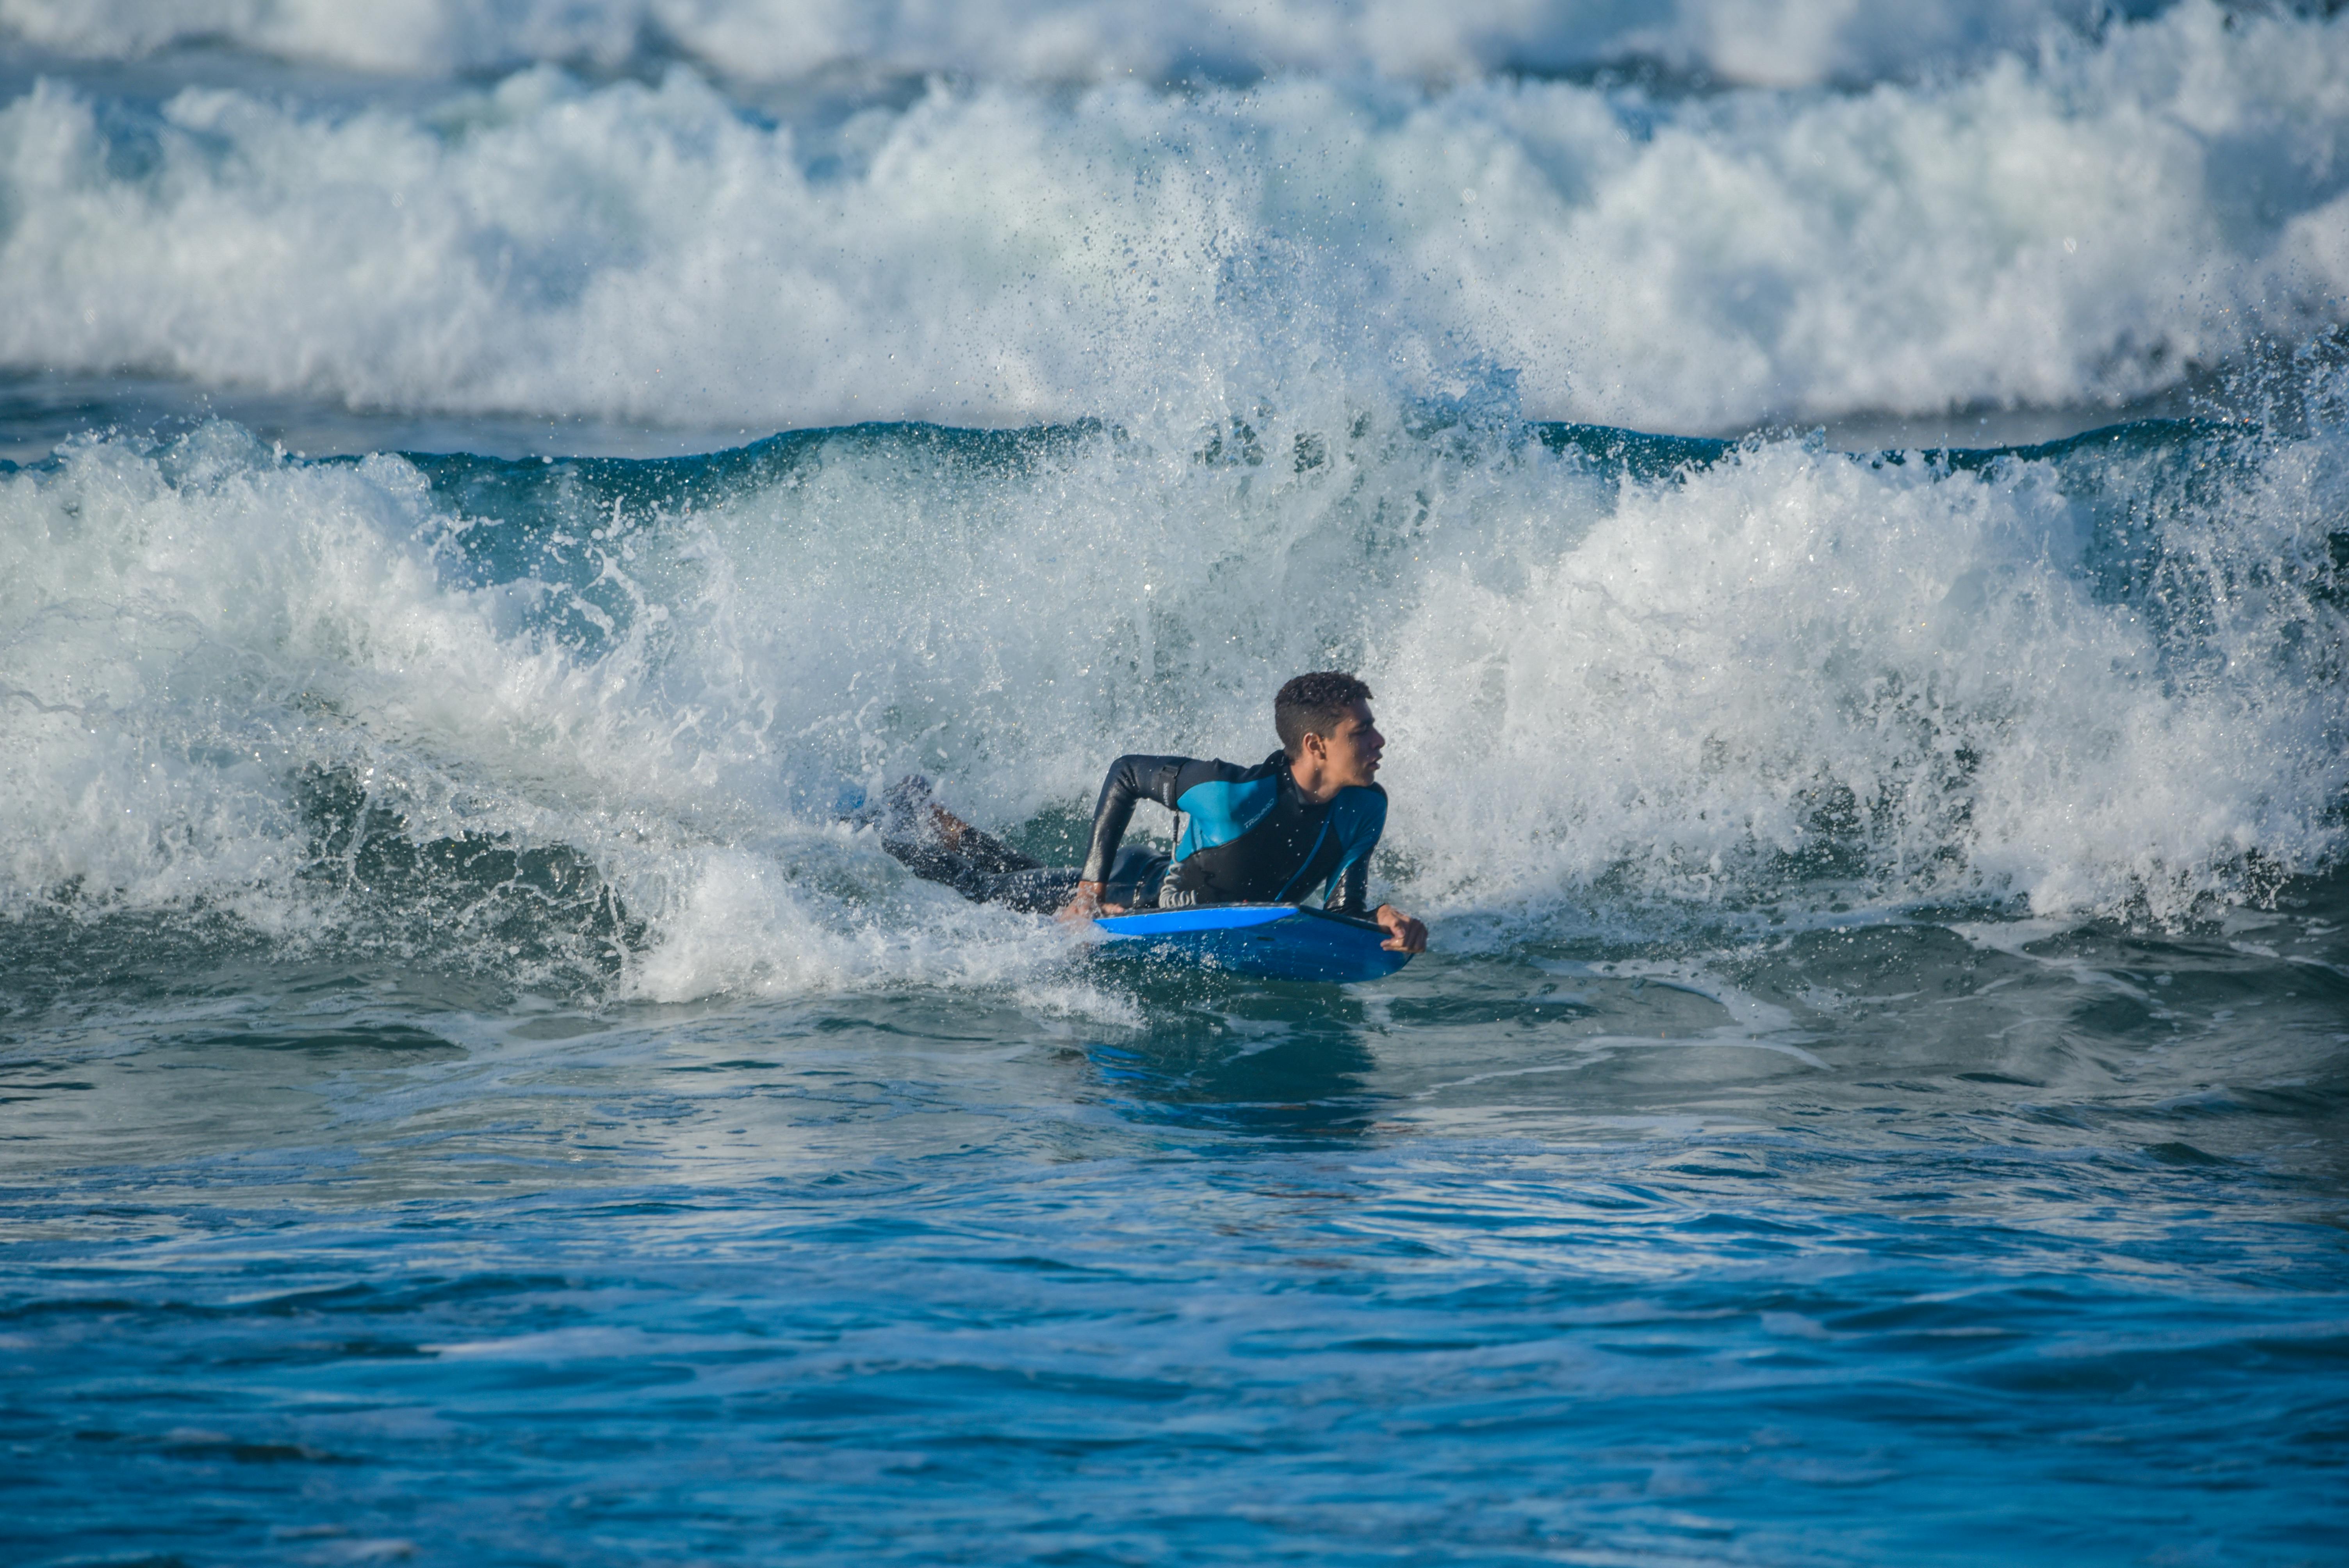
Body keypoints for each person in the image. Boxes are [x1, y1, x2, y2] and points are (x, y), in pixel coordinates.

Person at [871, 671, 1427, 953]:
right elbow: (1127, 774)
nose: (1379, 741)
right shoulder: (1232, 796)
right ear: (1315, 745)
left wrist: (1381, 918)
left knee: (1023, 873)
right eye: (1362, 731)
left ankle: (942, 819)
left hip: (1171, 893)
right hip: (1131, 891)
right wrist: (1089, 894)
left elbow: (1340, 911)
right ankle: (887, 828)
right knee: (981, 888)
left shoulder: (1364, 808)